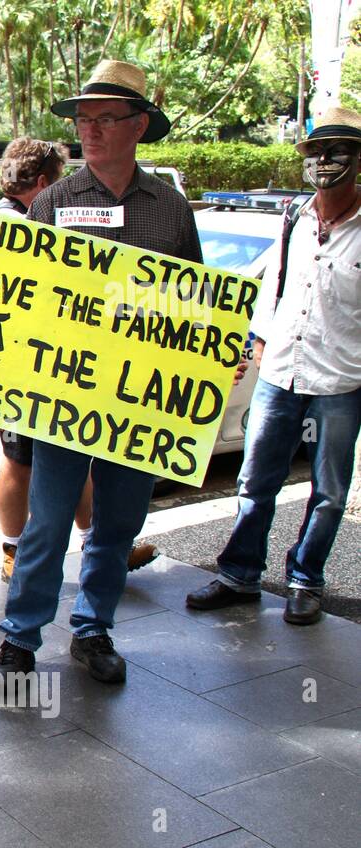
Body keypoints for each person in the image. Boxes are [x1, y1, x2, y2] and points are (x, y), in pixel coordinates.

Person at [0, 60, 205, 688]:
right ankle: (19, 638)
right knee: (49, 522)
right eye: (82, 120)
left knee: (116, 524)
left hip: (137, 404)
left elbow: (193, 307)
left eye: (103, 119)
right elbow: (23, 297)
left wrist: (216, 353)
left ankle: (92, 629)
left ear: (138, 126)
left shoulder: (170, 210)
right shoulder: (54, 202)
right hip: (65, 397)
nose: (88, 131)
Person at [186, 105, 361, 626]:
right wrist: (255, 342)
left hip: (342, 380)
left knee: (328, 492)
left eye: (338, 151)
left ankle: (306, 580)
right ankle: (240, 574)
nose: (325, 161)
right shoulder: (293, 219)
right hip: (281, 369)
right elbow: (273, 288)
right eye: (315, 150)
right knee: (253, 481)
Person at [0, 138, 159, 581]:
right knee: (19, 461)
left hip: (56, 366)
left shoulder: (17, 219)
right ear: (44, 182)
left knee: (72, 452)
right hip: (29, 367)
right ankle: (14, 553)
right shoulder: (15, 226)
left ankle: (93, 543)